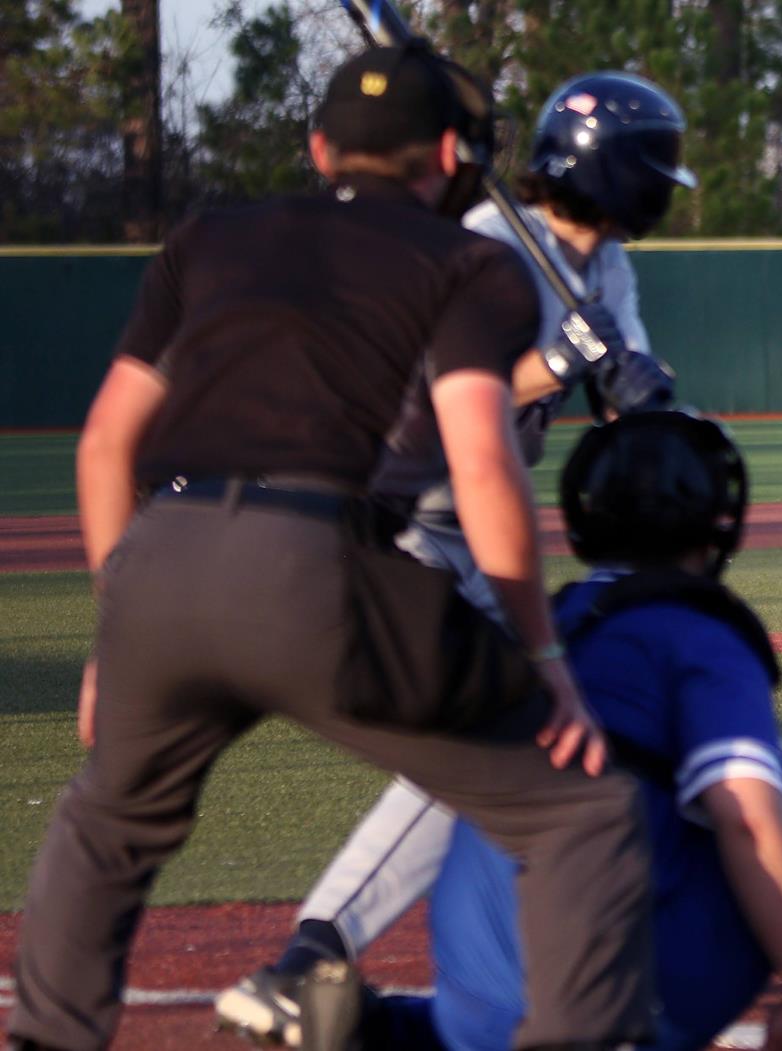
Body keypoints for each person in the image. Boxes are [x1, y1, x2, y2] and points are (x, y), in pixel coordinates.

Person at [4, 46, 656, 1051]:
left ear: (317, 150)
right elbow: (481, 466)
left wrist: (119, 616)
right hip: (326, 565)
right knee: (581, 814)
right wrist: (542, 657)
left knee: (106, 827)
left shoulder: (209, 236)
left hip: (164, 557)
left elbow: (104, 443)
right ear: (449, 154)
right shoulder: (469, 261)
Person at [213, 70, 696, 1044]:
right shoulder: (475, 248)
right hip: (390, 524)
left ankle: (317, 961)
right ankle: (331, 959)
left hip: (466, 539)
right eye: (654, 170)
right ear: (619, 172)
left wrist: (638, 386)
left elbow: (624, 393)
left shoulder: (602, 268)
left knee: (495, 747)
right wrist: (556, 361)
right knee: (493, 742)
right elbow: (445, 396)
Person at [331, 411, 782, 1051]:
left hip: (470, 1009)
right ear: (715, 519)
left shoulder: (540, 629)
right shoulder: (698, 632)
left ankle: (401, 1033)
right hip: (625, 1009)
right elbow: (748, 817)